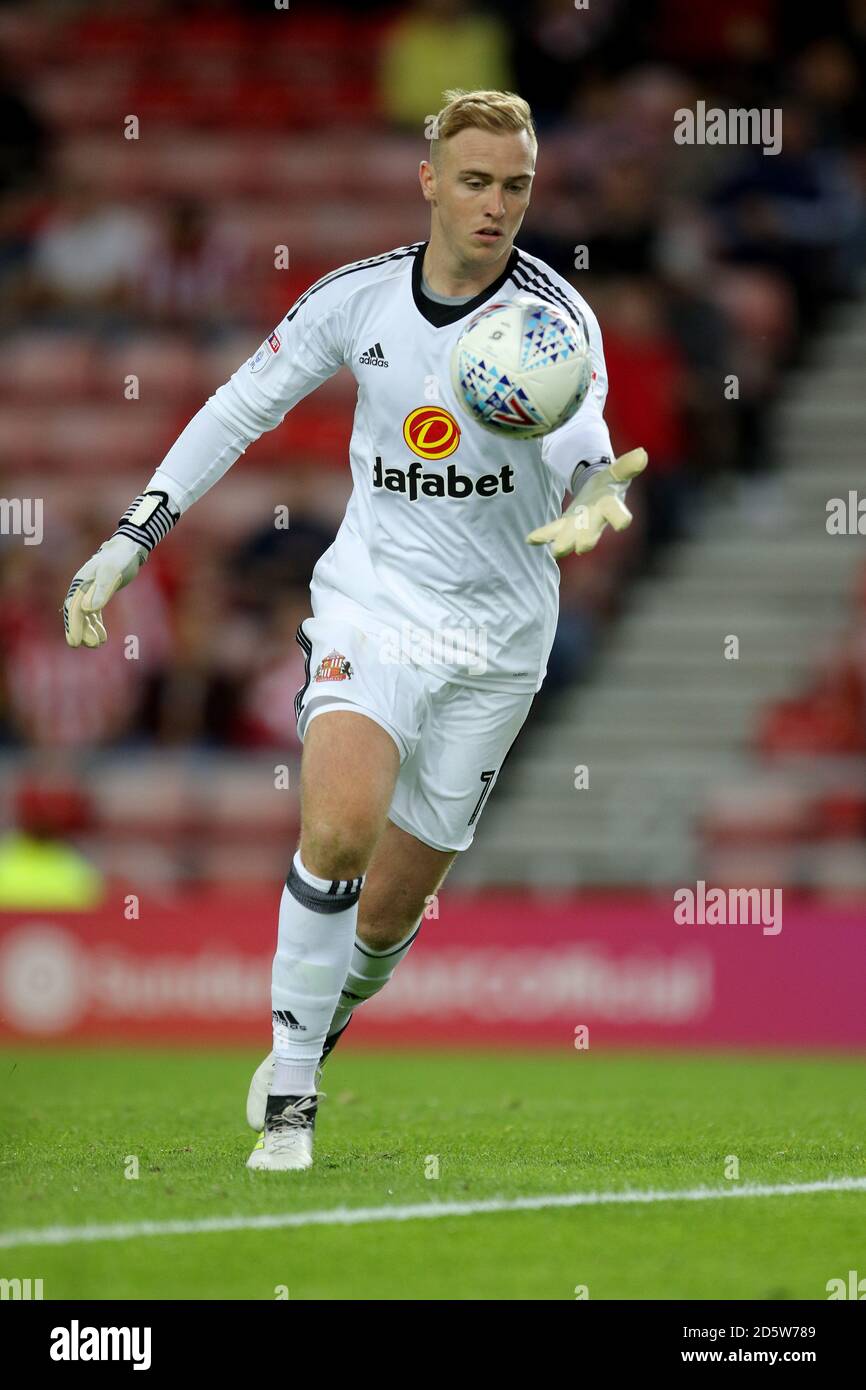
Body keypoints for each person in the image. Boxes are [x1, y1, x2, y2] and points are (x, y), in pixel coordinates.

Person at [62, 89, 647, 1171]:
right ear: (429, 181)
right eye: (474, 181)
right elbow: (240, 403)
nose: (495, 206)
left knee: (386, 915)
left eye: (515, 186)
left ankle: (318, 1030)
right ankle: (290, 1104)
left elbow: (582, 438)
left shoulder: (550, 321)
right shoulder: (357, 300)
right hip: (374, 604)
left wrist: (592, 491)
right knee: (334, 829)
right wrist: (133, 536)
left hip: (497, 638)